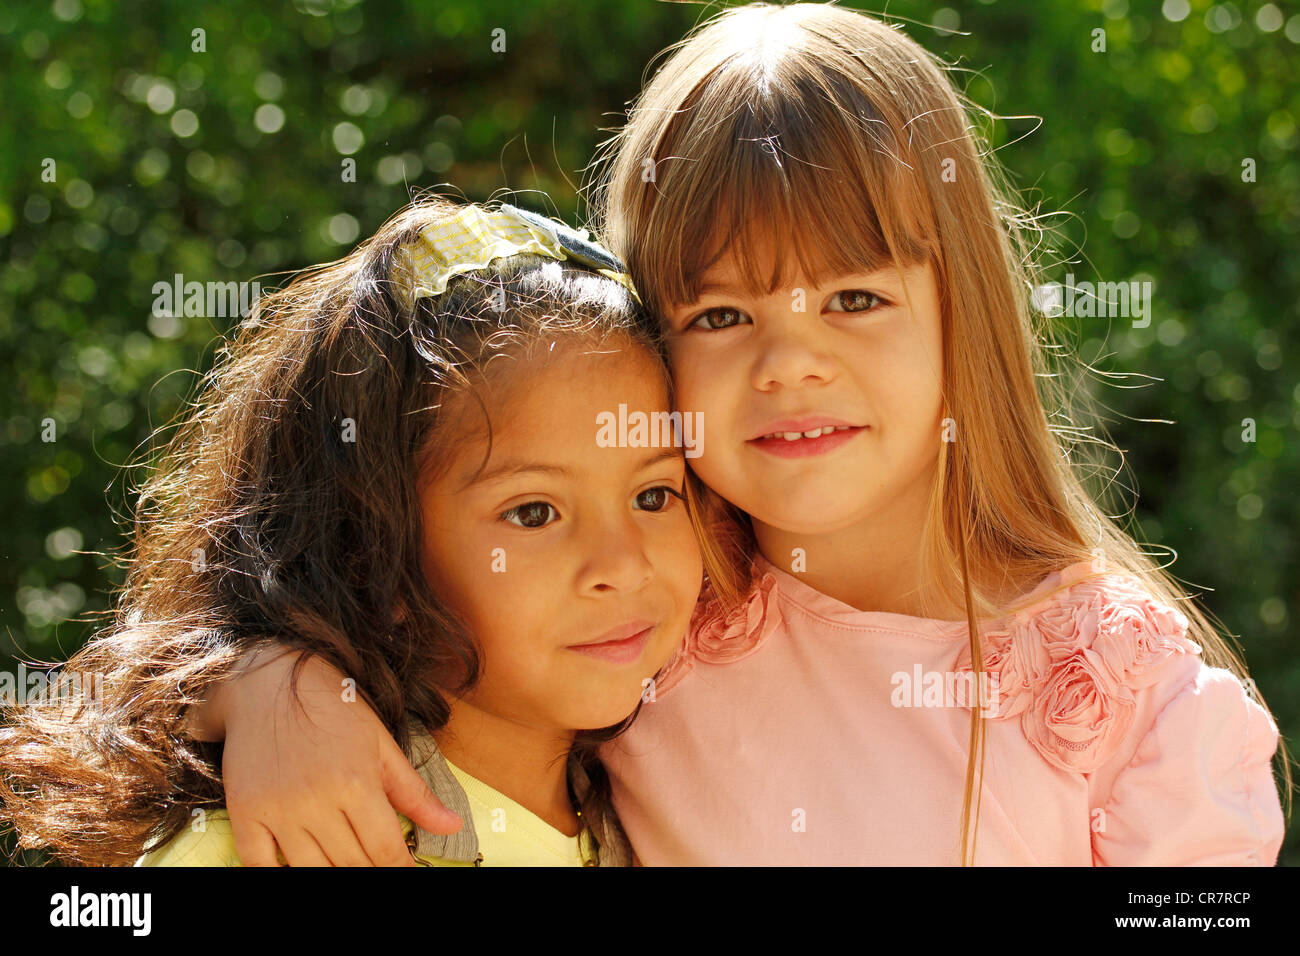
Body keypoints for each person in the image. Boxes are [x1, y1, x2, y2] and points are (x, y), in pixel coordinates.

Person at [176, 4, 1290, 864]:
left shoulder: (1130, 699)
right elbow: (348, 592)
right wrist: (271, 682)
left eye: (854, 298)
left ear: (968, 311)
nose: (789, 362)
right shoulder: (658, 603)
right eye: (720, 314)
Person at [0, 198, 714, 866]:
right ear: (372, 547)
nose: (623, 565)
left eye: (655, 495)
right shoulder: (270, 838)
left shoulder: (660, 797)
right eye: (533, 513)